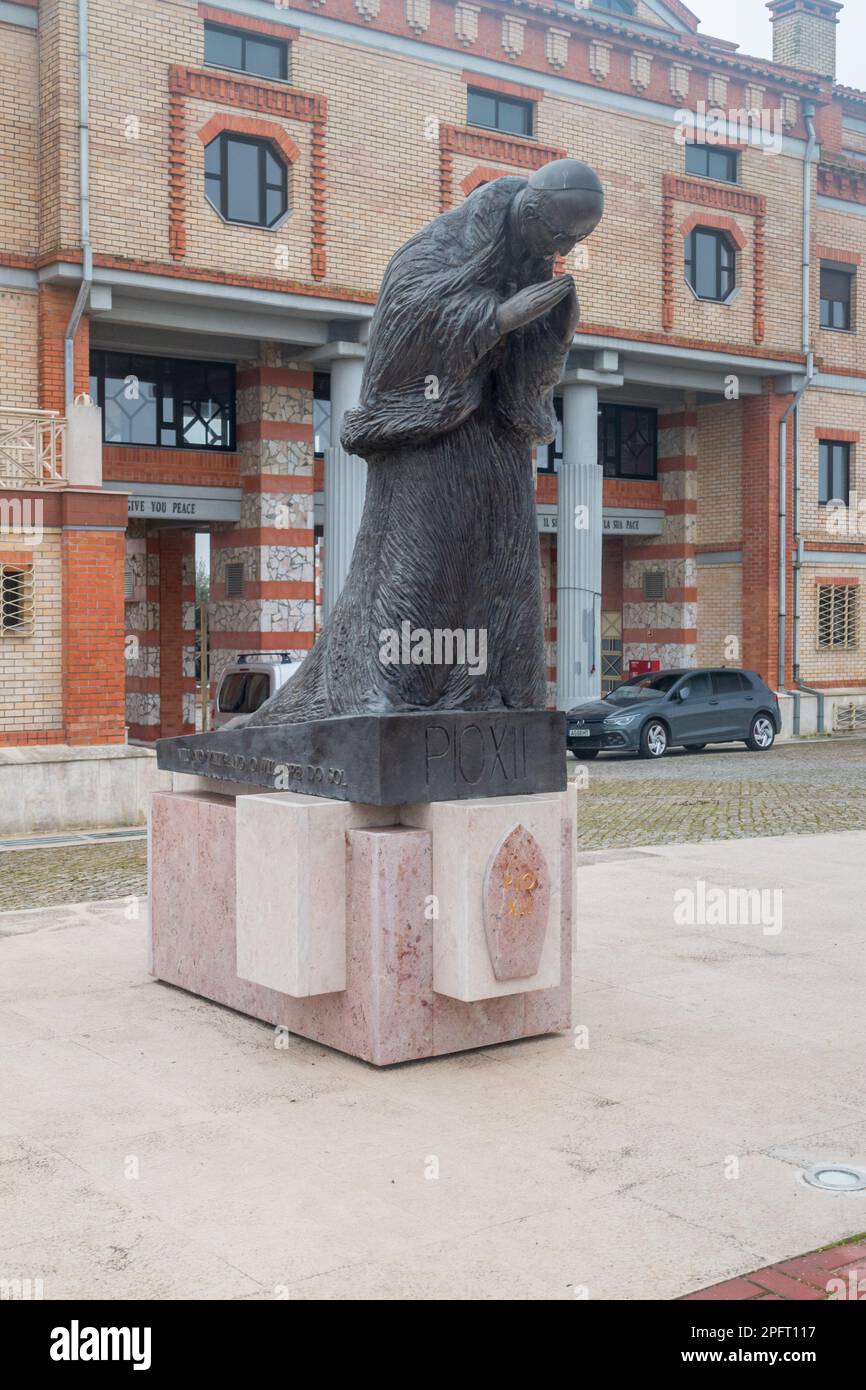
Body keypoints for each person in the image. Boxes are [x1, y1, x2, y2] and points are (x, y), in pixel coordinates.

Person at [256, 157, 604, 725]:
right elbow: (405, 312)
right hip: (429, 440)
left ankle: (498, 693)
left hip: (496, 445)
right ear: (530, 206)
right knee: (419, 567)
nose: (557, 247)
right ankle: (388, 692)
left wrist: (551, 333)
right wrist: (495, 317)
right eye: (555, 233)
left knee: (505, 566)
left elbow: (528, 373)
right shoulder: (449, 240)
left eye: (571, 241)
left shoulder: (536, 258)